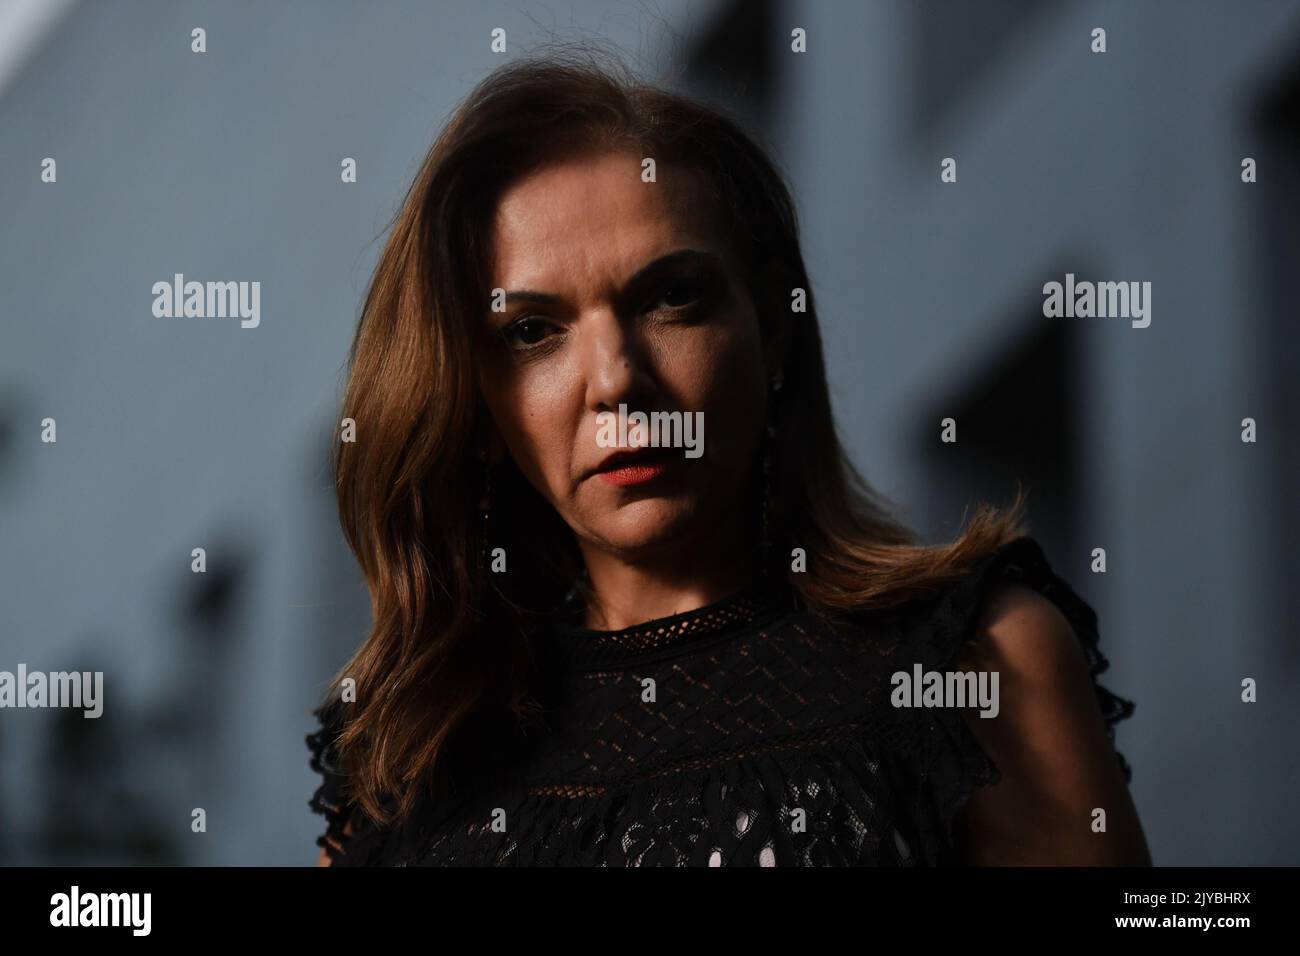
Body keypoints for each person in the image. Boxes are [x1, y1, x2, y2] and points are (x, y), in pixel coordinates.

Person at [306, 50, 1150, 866]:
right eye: (532, 332)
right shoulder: (409, 760)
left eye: (671, 297)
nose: (615, 382)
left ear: (774, 331)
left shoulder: (975, 664)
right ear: (477, 405)